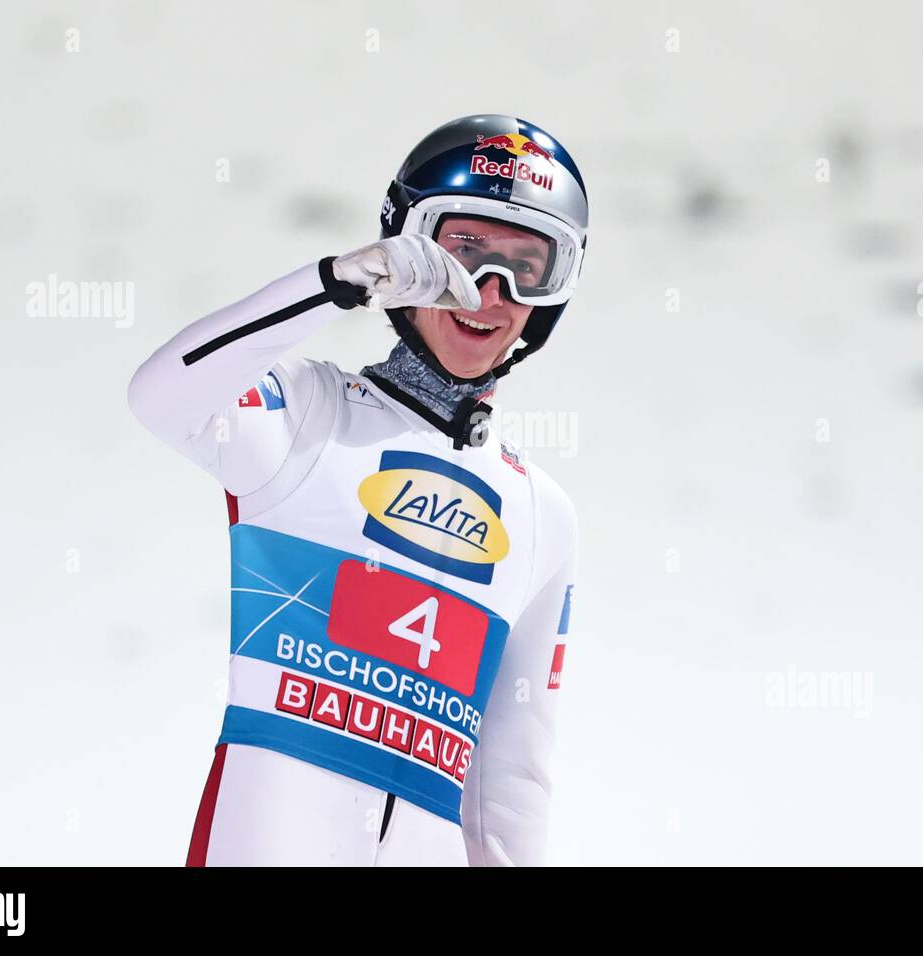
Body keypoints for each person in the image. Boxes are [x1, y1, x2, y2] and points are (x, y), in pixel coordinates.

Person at [127, 115, 587, 866]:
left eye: (528, 265)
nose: (488, 292)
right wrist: (333, 282)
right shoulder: (302, 413)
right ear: (407, 246)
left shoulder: (543, 516)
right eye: (463, 249)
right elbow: (159, 396)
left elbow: (510, 786)